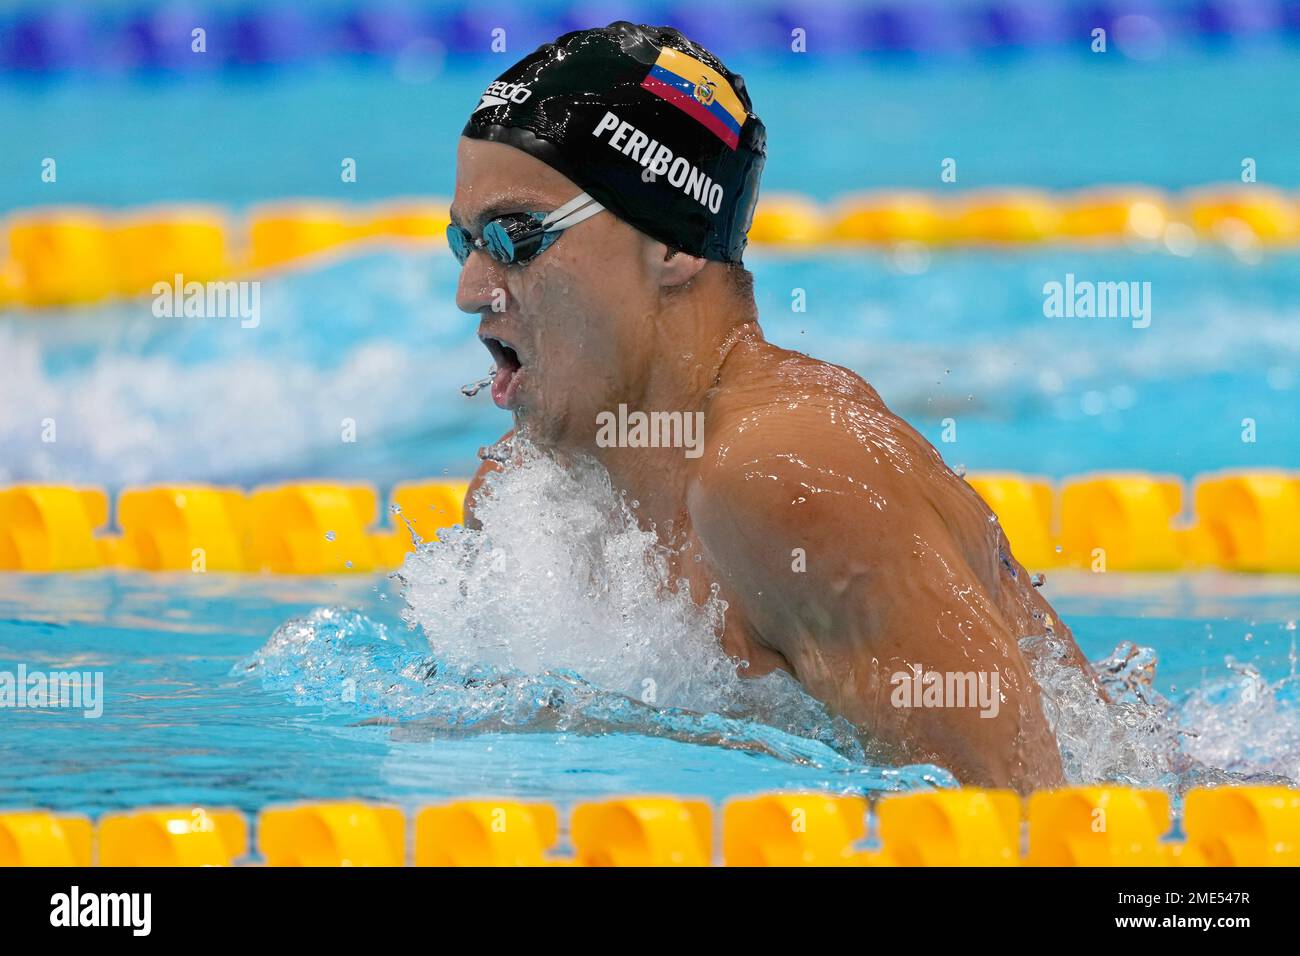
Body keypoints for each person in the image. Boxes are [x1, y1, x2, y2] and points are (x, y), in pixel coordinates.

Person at [447, 21, 1096, 792]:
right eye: (464, 243)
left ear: (673, 241)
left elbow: (1017, 823)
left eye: (516, 236)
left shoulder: (791, 479)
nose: (470, 291)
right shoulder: (532, 500)